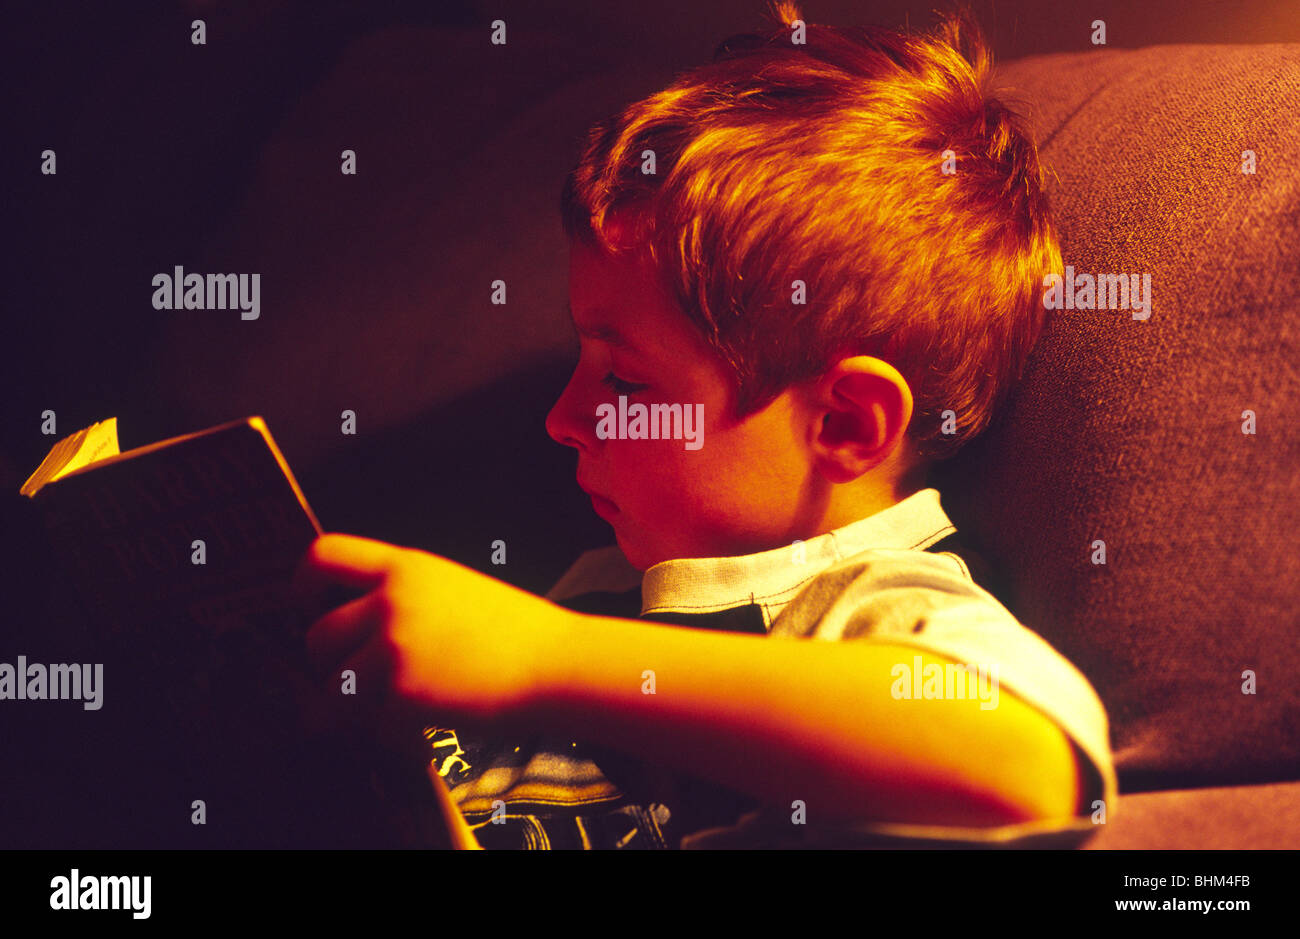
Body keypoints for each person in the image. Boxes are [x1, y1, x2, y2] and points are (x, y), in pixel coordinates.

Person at [292, 1, 1115, 849]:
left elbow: (1027, 762)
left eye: (624, 379)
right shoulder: (603, 585)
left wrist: (542, 655)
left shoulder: (871, 601)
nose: (562, 419)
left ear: (844, 422)